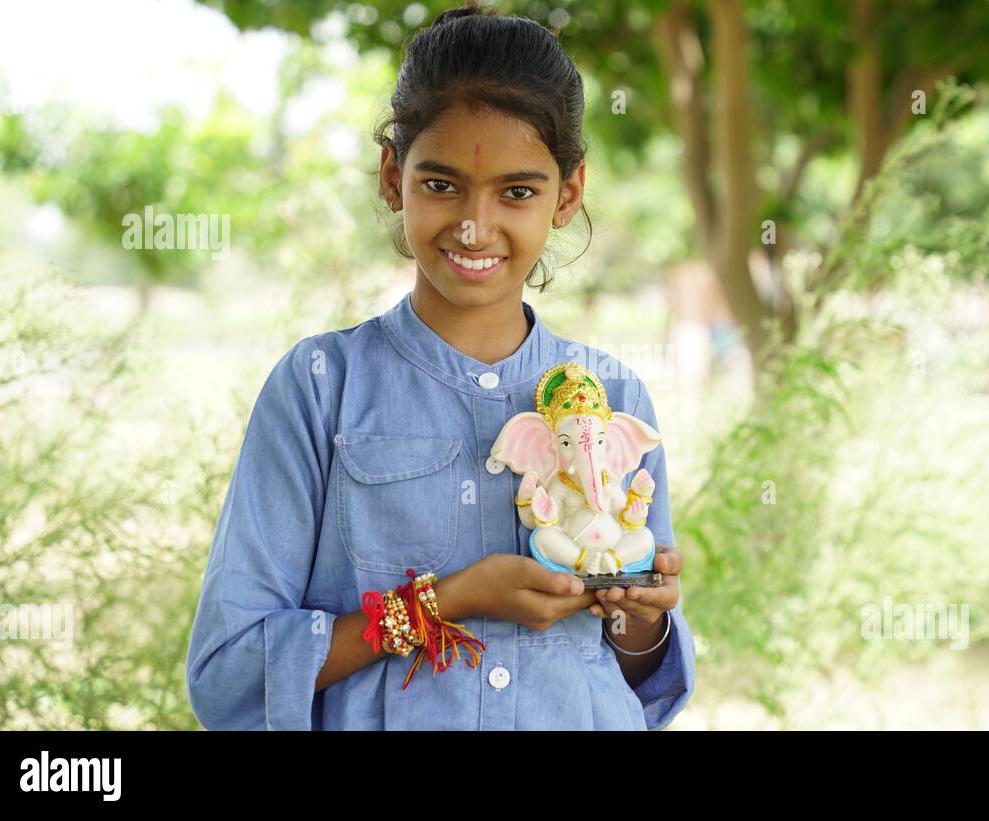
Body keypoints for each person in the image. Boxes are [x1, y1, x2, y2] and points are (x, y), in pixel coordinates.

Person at [185, 1, 694, 730]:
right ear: (394, 176)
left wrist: (640, 615)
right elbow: (231, 671)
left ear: (567, 194)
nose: (474, 226)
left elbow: (641, 679)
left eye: (517, 192)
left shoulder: (612, 397)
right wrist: (447, 600)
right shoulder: (321, 389)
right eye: (440, 183)